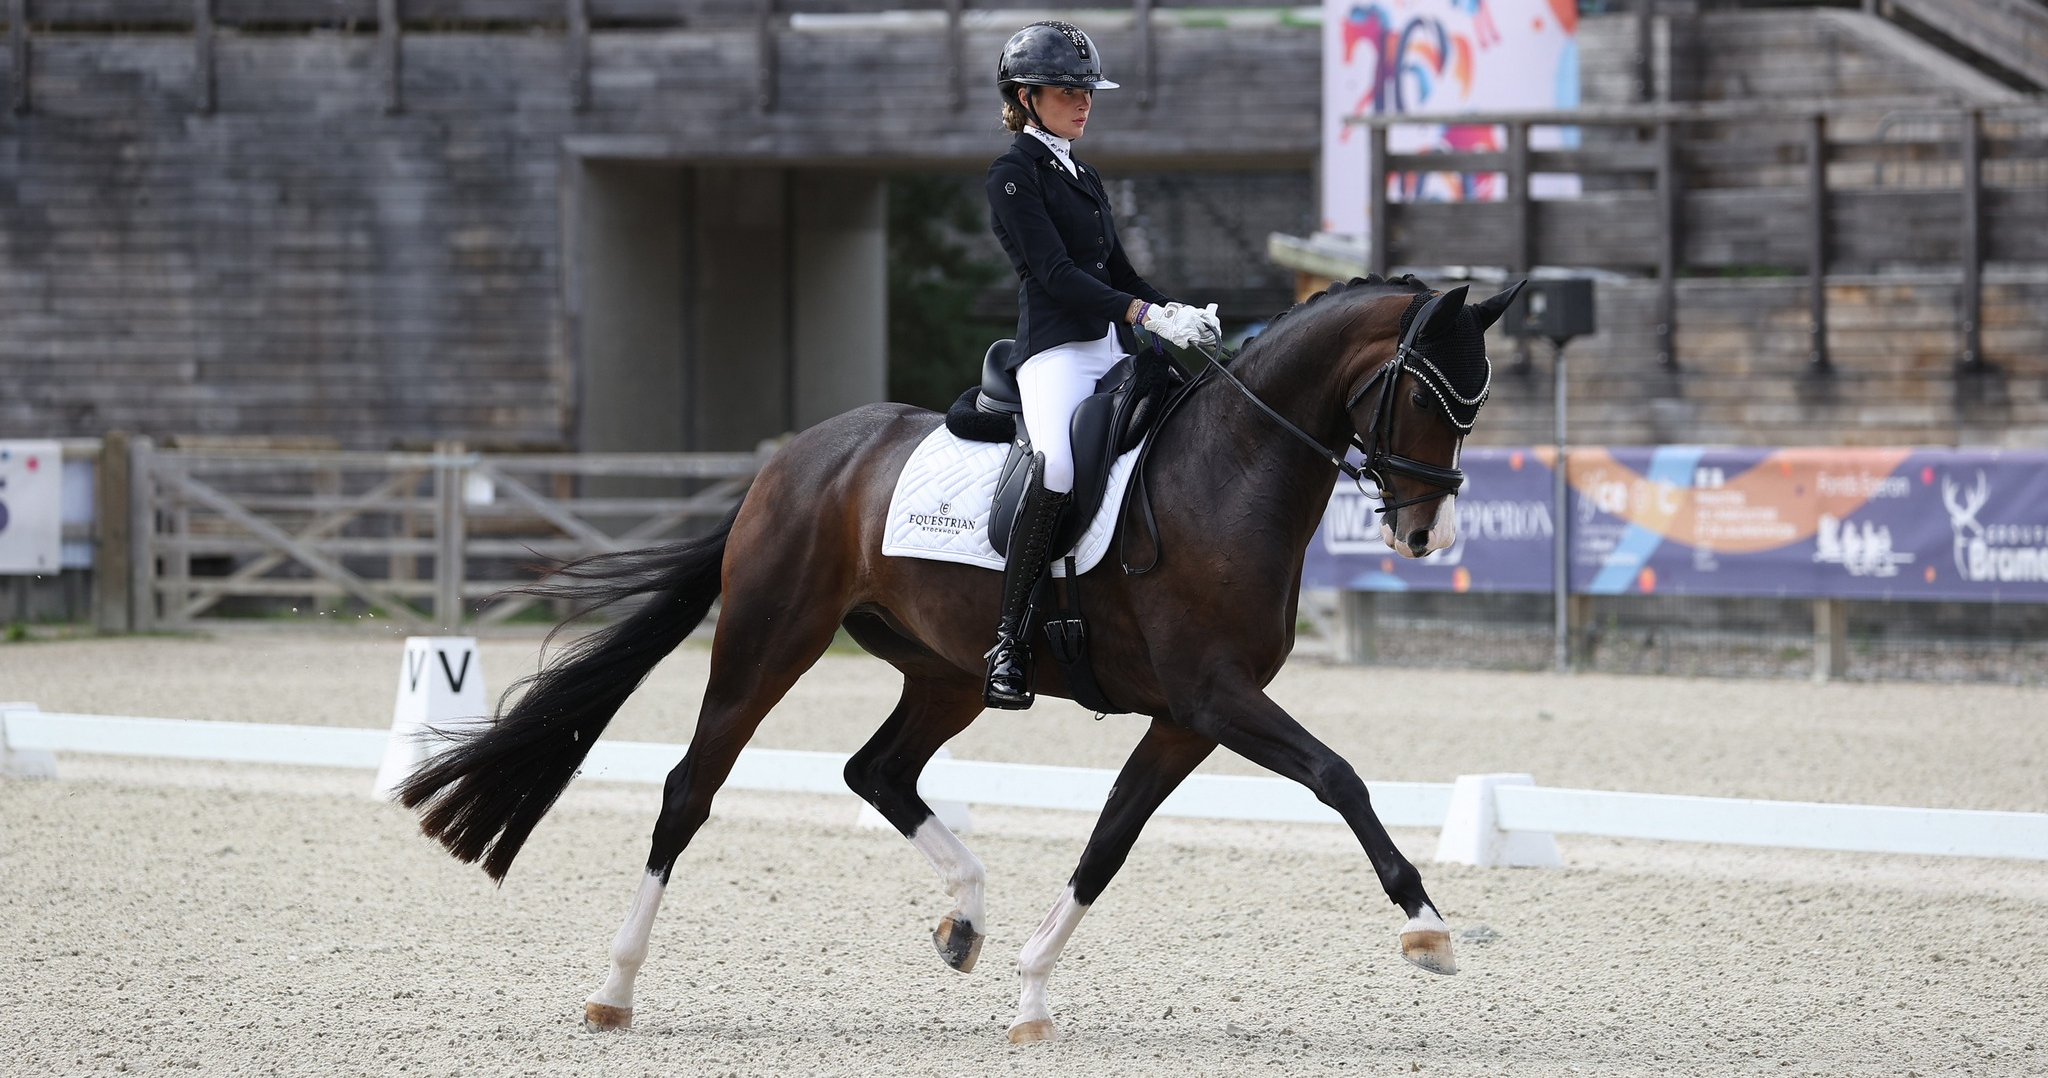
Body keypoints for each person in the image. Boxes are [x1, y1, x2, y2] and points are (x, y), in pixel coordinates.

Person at [981, 20, 1221, 709]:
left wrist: (1176, 312)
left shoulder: (1081, 172)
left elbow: (1118, 270)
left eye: (1088, 90)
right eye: (1067, 91)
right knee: (1056, 465)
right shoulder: (1013, 174)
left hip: (1111, 350)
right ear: (1027, 97)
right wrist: (1144, 316)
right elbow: (1055, 274)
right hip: (1054, 352)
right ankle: (1008, 639)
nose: (1084, 102)